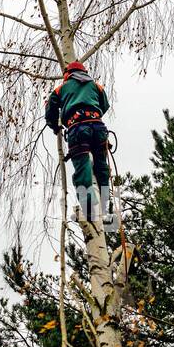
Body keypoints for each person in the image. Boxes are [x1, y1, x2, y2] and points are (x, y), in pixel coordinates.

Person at [45, 60, 115, 226]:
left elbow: (50, 110)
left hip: (78, 129)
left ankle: (89, 210)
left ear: (67, 74)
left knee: (83, 170)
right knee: (102, 169)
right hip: (98, 128)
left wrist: (56, 126)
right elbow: (105, 105)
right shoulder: (96, 86)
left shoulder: (61, 88)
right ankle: (105, 210)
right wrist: (93, 113)